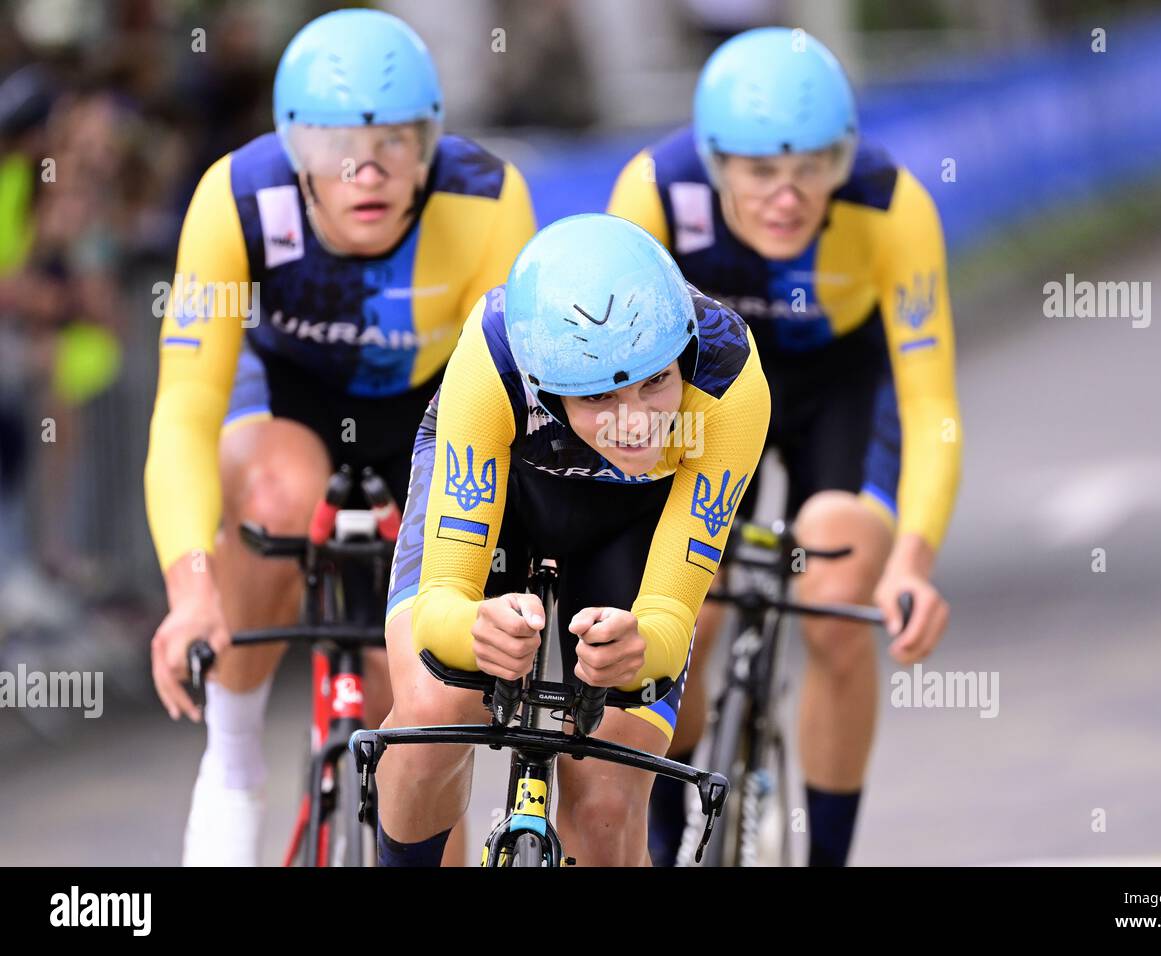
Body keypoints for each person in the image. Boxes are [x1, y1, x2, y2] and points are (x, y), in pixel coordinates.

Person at [144, 9, 535, 866]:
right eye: (335, 148)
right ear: (294, 152)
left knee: (425, 705)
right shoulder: (236, 196)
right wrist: (190, 587)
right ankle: (235, 754)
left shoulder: (487, 201)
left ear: (432, 143)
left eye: (399, 141)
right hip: (284, 400)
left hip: (431, 411)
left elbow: (506, 414)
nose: (369, 170)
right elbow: (185, 408)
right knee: (279, 490)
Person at [607, 27, 963, 866]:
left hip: (836, 390)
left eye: (813, 169)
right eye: (761, 172)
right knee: (680, 616)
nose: (789, 196)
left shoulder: (890, 201)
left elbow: (931, 403)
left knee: (839, 601)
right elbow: (619, 386)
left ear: (844, 157)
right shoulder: (656, 190)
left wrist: (911, 562)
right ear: (716, 162)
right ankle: (662, 838)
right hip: (707, 393)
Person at [376, 213, 769, 866]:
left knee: (608, 800)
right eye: (601, 397)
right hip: (510, 501)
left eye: (656, 383)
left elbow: (670, 620)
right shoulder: (495, 356)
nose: (637, 424)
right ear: (545, 388)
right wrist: (470, 627)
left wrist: (641, 649)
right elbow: (443, 598)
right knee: (428, 718)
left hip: (636, 518)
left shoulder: (730, 381)